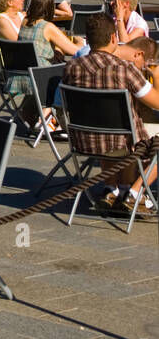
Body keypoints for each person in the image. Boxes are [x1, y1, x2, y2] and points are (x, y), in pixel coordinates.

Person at [64, 13, 159, 217]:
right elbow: (157, 103)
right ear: (114, 38)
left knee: (114, 127)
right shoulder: (123, 69)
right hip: (123, 144)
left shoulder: (71, 67)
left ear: (88, 38)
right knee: (134, 135)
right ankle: (135, 193)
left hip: (84, 141)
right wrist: (157, 75)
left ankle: (115, 190)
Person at [6, 0, 84, 108]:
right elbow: (74, 51)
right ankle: (50, 113)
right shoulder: (47, 27)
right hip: (40, 76)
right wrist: (81, 41)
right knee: (71, 72)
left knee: (58, 52)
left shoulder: (24, 22)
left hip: (21, 72)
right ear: (50, 9)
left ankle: (30, 115)